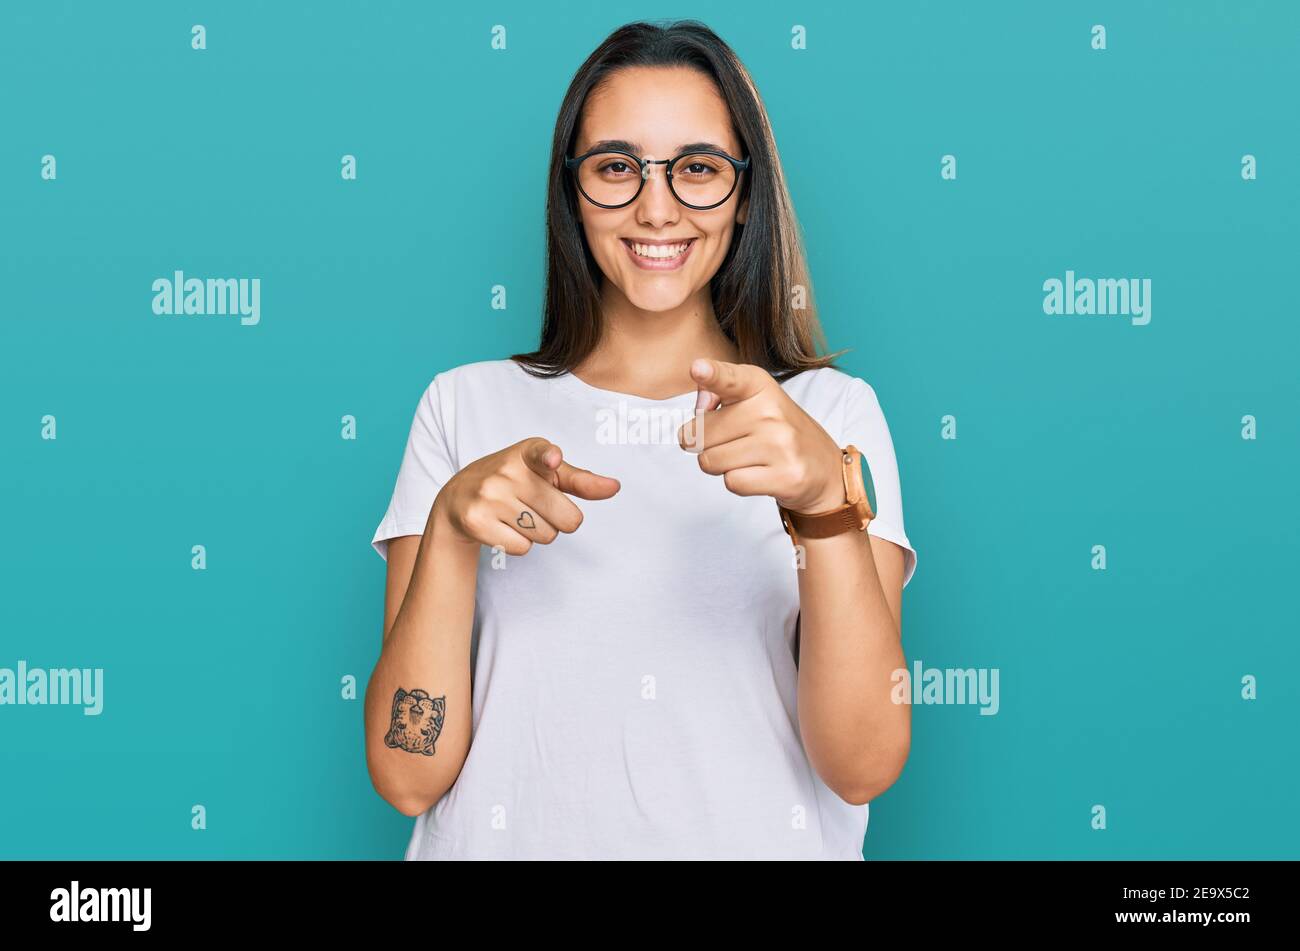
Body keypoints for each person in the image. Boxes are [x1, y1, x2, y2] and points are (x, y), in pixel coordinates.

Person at [365, 19, 917, 860]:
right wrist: (446, 528)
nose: (655, 208)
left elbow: (862, 764)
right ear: (571, 190)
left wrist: (824, 510)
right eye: (617, 167)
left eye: (697, 168)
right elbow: (408, 775)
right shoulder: (460, 407)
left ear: (744, 194)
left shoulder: (829, 418)